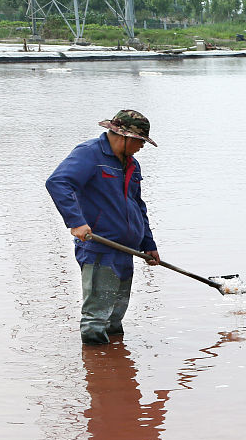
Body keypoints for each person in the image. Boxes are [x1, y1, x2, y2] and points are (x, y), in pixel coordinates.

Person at [46, 110, 160, 345]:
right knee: (96, 319)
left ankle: (118, 364)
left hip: (127, 250)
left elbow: (137, 204)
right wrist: (76, 222)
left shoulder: (132, 164)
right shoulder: (90, 154)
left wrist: (148, 244)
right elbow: (58, 183)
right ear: (122, 136)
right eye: (139, 141)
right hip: (99, 248)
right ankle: (100, 372)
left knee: (115, 317)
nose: (142, 147)